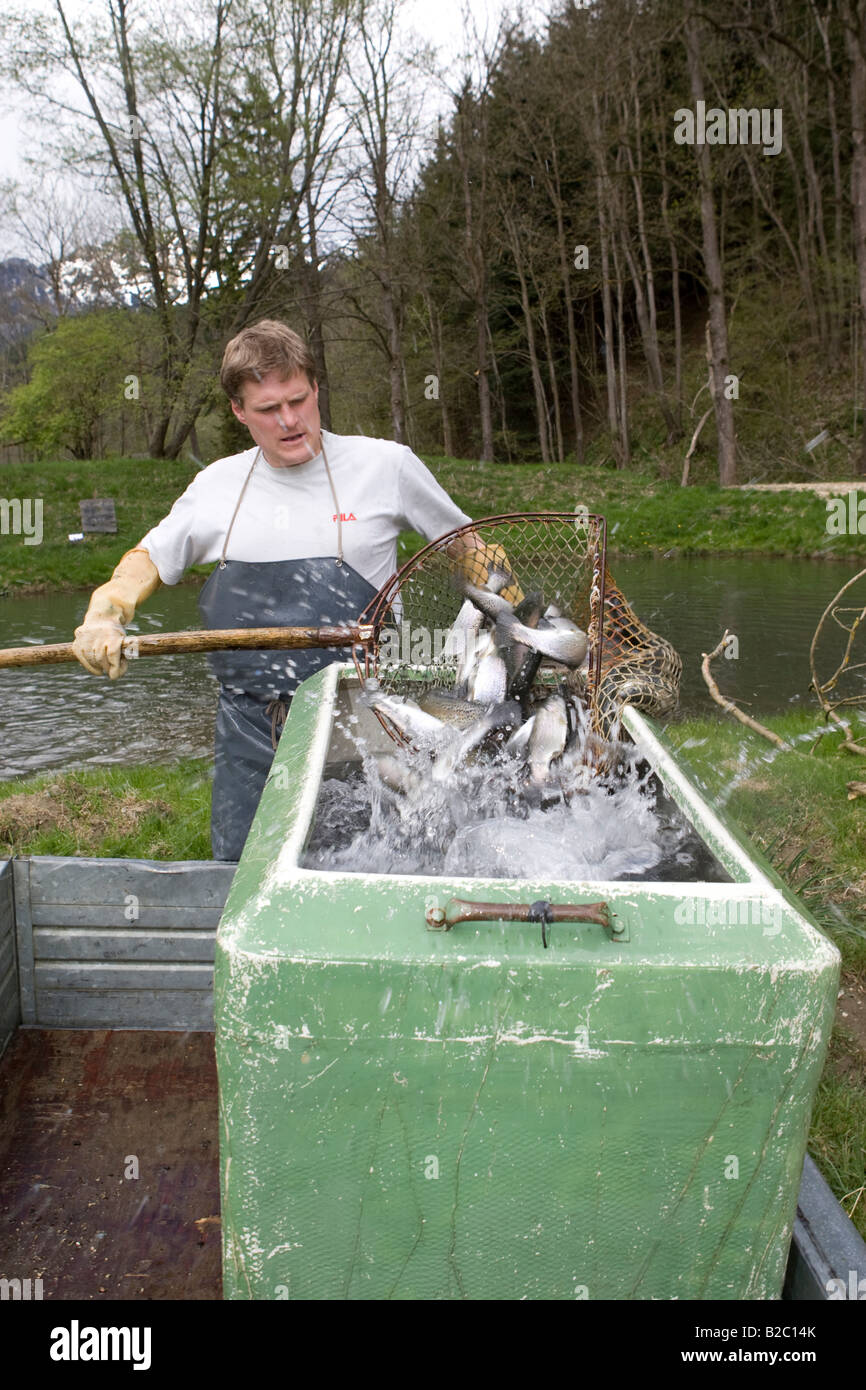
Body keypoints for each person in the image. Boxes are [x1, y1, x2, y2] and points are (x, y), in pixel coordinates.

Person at [72, 319, 488, 861]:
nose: (290, 421)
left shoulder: (385, 465)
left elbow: (473, 549)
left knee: (377, 874)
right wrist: (106, 611)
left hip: (366, 721)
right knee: (247, 879)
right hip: (251, 734)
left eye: (299, 400)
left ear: (316, 389)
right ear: (239, 412)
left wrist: (521, 623)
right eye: (269, 409)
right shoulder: (216, 487)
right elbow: (147, 559)